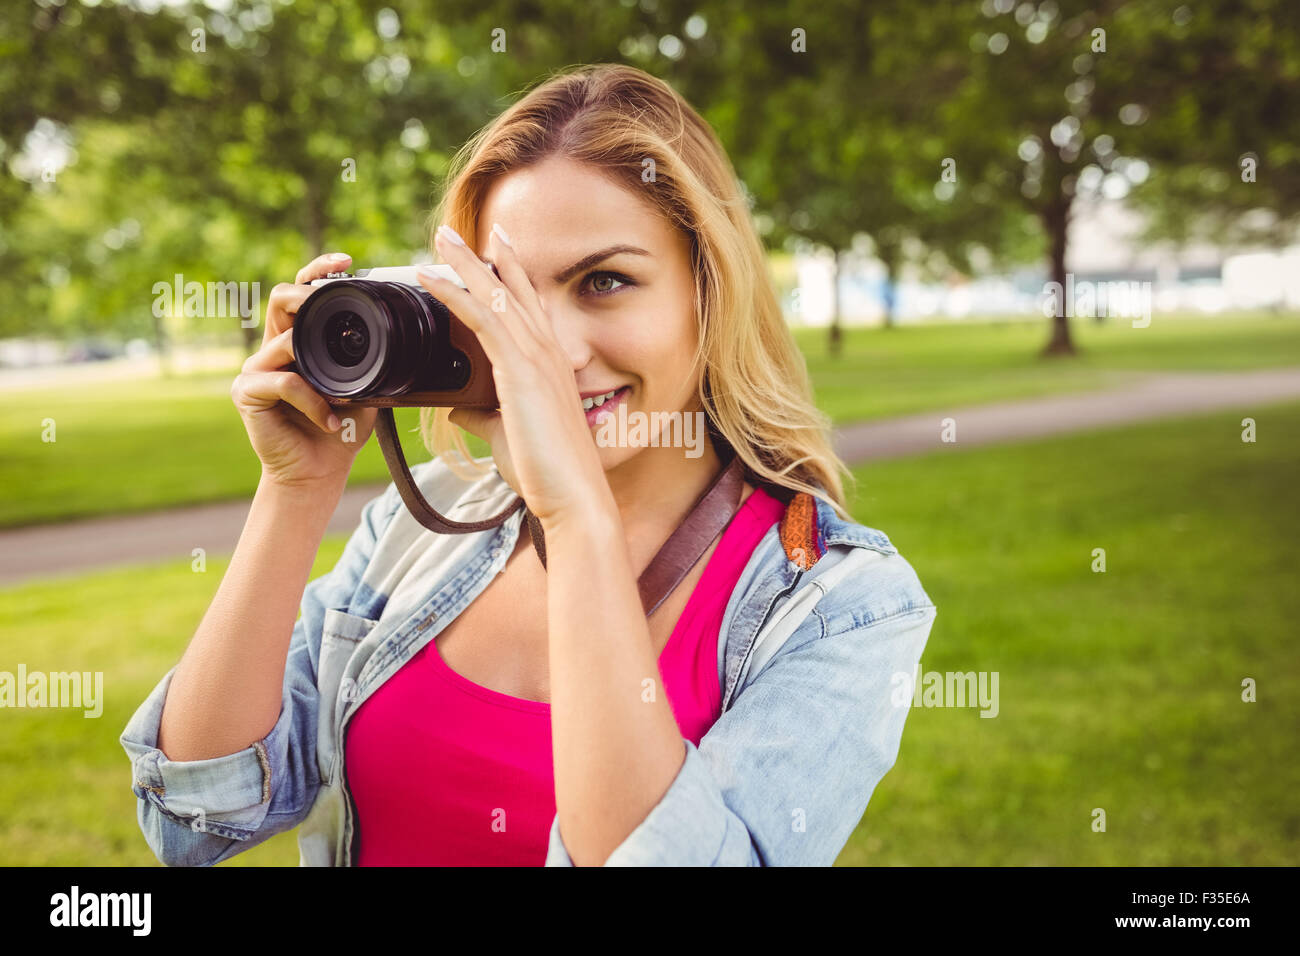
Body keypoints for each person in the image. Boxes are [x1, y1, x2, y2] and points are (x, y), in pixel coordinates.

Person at [120, 63, 936, 866]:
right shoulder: (416, 526)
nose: (552, 350)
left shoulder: (839, 603)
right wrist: (295, 493)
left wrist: (577, 517)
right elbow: (198, 816)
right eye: (507, 293)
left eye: (605, 281)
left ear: (708, 290)